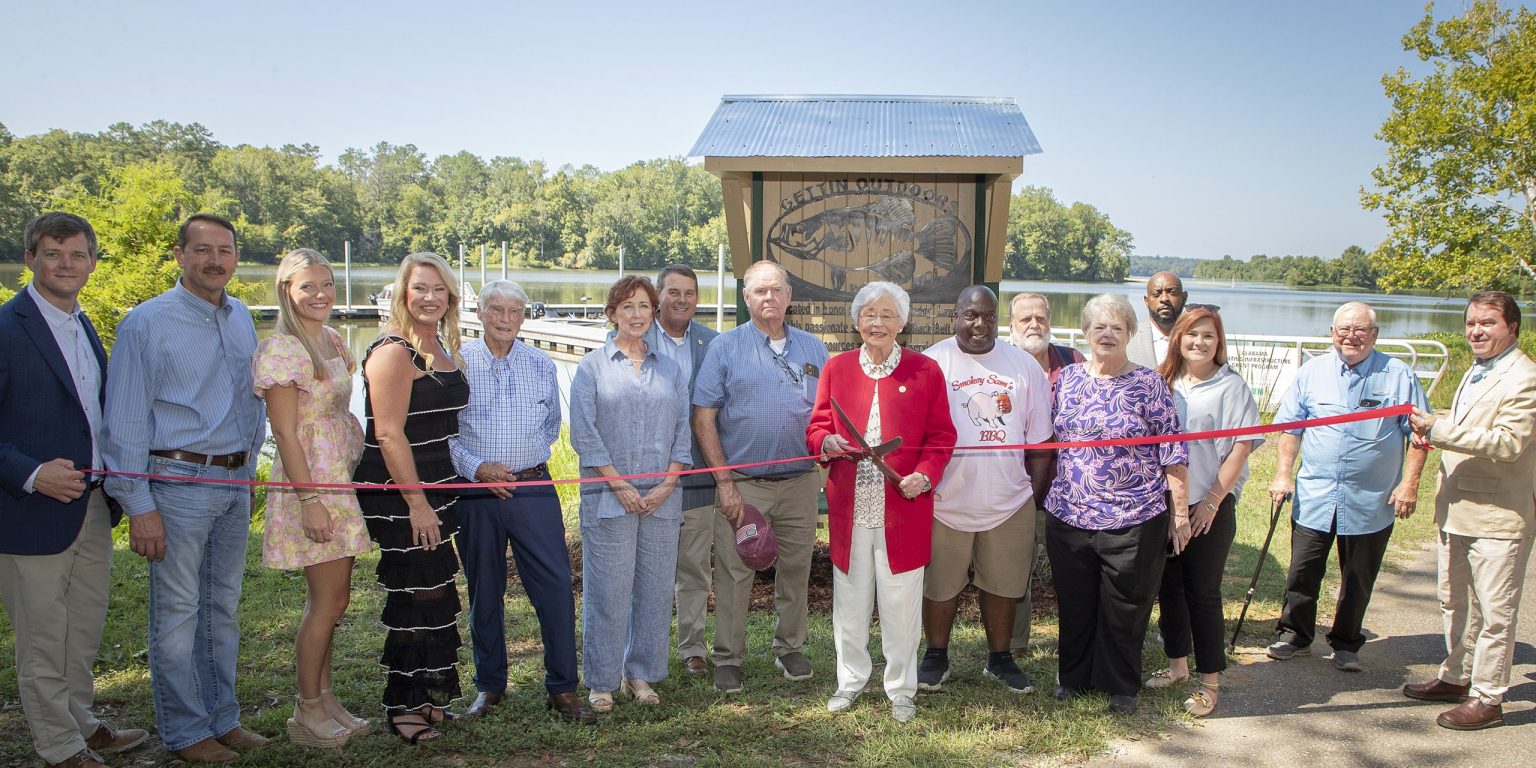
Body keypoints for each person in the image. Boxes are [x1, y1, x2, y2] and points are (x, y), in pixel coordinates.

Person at [103, 213, 269, 763]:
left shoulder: (241, 317)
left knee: (221, 608)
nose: (214, 260)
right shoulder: (146, 324)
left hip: (233, 481)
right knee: (177, 613)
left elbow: (251, 403)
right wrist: (139, 505)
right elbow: (124, 422)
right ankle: (186, 730)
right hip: (176, 483)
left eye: (225, 250)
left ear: (235, 258)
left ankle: (224, 718)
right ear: (179, 254)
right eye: (202, 250)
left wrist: (247, 472)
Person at [0, 213, 148, 768]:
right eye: (53, 253)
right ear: (31, 259)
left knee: (82, 627)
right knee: (43, 635)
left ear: (92, 261)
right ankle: (59, 745)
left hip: (91, 504)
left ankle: (82, 722)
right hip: (29, 510)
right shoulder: (7, 328)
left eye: (78, 254)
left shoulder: (82, 325)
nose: (67, 264)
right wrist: (32, 473)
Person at [806, 281, 956, 723]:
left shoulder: (924, 371)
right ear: (857, 322)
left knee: (900, 605)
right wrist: (826, 442)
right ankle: (850, 681)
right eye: (870, 315)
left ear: (902, 323)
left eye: (887, 315)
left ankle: (901, 689)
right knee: (850, 602)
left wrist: (923, 476)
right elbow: (816, 426)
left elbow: (942, 437)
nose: (878, 323)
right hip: (850, 509)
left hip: (903, 508)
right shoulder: (836, 368)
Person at [449, 280, 592, 724]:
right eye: (497, 309)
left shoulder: (540, 363)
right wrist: (478, 468)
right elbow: (444, 434)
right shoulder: (457, 362)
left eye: (515, 311)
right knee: (484, 589)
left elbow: (551, 424)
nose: (506, 319)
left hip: (532, 487)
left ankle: (563, 688)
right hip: (476, 492)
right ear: (479, 312)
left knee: (555, 586)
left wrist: (519, 464)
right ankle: (490, 686)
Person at [1046, 293, 1189, 716]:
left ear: (1129, 333)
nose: (1107, 334)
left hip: (1134, 514)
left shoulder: (1149, 384)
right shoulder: (1067, 379)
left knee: (1126, 603)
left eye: (1117, 327)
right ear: (1086, 332)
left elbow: (1173, 452)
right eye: (1099, 327)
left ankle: (1120, 684)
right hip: (1070, 512)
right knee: (1076, 601)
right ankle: (1074, 678)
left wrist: (1180, 513)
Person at [1267, 301, 1428, 671]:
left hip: (1371, 499)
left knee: (1357, 576)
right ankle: (1294, 635)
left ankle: (1346, 642)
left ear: (1375, 334)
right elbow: (1290, 429)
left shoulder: (1398, 375)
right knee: (1302, 571)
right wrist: (1282, 475)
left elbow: (1420, 435)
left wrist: (1409, 484)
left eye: (1360, 330)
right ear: (1332, 333)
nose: (1351, 336)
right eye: (1344, 329)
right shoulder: (1312, 372)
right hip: (1316, 494)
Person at [692, 259, 829, 693]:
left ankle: (790, 648)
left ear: (789, 296)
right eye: (759, 291)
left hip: (799, 481)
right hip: (743, 484)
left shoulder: (814, 350)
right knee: (735, 572)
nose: (769, 297)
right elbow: (703, 417)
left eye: (776, 290)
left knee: (797, 567)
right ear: (746, 298)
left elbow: (826, 413)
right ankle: (728, 657)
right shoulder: (724, 348)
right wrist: (725, 483)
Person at [252, 248, 370, 748]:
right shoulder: (282, 350)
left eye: (326, 284)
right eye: (308, 286)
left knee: (335, 599)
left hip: (339, 480)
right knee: (327, 602)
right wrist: (309, 500)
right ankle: (306, 710)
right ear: (287, 291)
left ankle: (325, 698)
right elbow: (284, 430)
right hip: (314, 486)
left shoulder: (331, 339)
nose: (321, 294)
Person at [1403, 291, 1536, 731]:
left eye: (1487, 323)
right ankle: (1456, 676)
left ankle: (1488, 697)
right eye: (1471, 323)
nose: (1476, 331)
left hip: (1498, 517)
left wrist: (1441, 430)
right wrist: (1433, 428)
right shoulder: (1478, 370)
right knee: (1454, 602)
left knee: (1496, 613)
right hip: (1457, 509)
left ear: (1512, 327)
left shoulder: (1525, 377)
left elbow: (1509, 443)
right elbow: (1469, 427)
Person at [354, 252, 469, 744]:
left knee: (438, 592)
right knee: (416, 593)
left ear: (451, 297)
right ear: (403, 292)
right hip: (402, 493)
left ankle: (429, 697)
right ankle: (403, 705)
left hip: (438, 484)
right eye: (420, 287)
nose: (430, 297)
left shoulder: (439, 346)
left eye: (439, 289)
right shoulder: (393, 352)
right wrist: (417, 503)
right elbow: (388, 434)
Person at [918, 286, 1052, 694]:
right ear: (956, 316)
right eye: (971, 315)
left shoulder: (1024, 367)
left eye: (989, 316)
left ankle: (1000, 658)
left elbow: (1041, 442)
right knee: (940, 585)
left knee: (1003, 584)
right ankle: (935, 656)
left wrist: (1031, 495)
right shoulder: (931, 363)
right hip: (944, 502)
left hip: (1008, 501)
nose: (980, 324)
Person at [569, 275, 692, 713]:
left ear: (653, 312)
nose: (637, 315)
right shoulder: (592, 368)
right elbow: (584, 434)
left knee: (655, 590)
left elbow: (683, 433)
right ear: (612, 313)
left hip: (662, 499)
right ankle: (602, 679)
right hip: (608, 498)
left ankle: (640, 672)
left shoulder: (671, 370)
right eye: (627, 307)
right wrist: (618, 483)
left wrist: (668, 483)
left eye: (644, 306)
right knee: (608, 591)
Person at [1148, 307, 1262, 717]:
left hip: (1208, 504)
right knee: (1169, 588)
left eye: (1208, 335)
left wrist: (1211, 502)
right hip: (1163, 503)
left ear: (1219, 342)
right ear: (1177, 338)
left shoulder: (1231, 386)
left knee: (1203, 593)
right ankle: (1177, 666)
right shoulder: (1162, 381)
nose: (1199, 342)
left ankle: (1209, 681)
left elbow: (1241, 448)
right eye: (1192, 334)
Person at [648, 265, 722, 679]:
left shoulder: (713, 344)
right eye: (673, 291)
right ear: (658, 296)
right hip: (647, 478)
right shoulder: (635, 337)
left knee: (694, 567)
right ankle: (647, 648)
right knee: (650, 568)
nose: (681, 299)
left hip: (697, 476)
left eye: (689, 293)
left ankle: (692, 647)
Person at [1006, 291, 1083, 652]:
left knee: (1072, 572)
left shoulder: (1073, 362)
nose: (1034, 325)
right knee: (1015, 570)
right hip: (1017, 486)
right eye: (1026, 319)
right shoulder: (1002, 364)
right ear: (1012, 326)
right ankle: (1013, 646)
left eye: (1041, 318)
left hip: (1068, 490)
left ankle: (1075, 644)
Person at [1127, 272, 1188, 367]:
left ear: (1184, 298)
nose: (1164, 298)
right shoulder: (1127, 339)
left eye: (1172, 292)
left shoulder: (1199, 339)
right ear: (1146, 301)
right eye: (1157, 294)